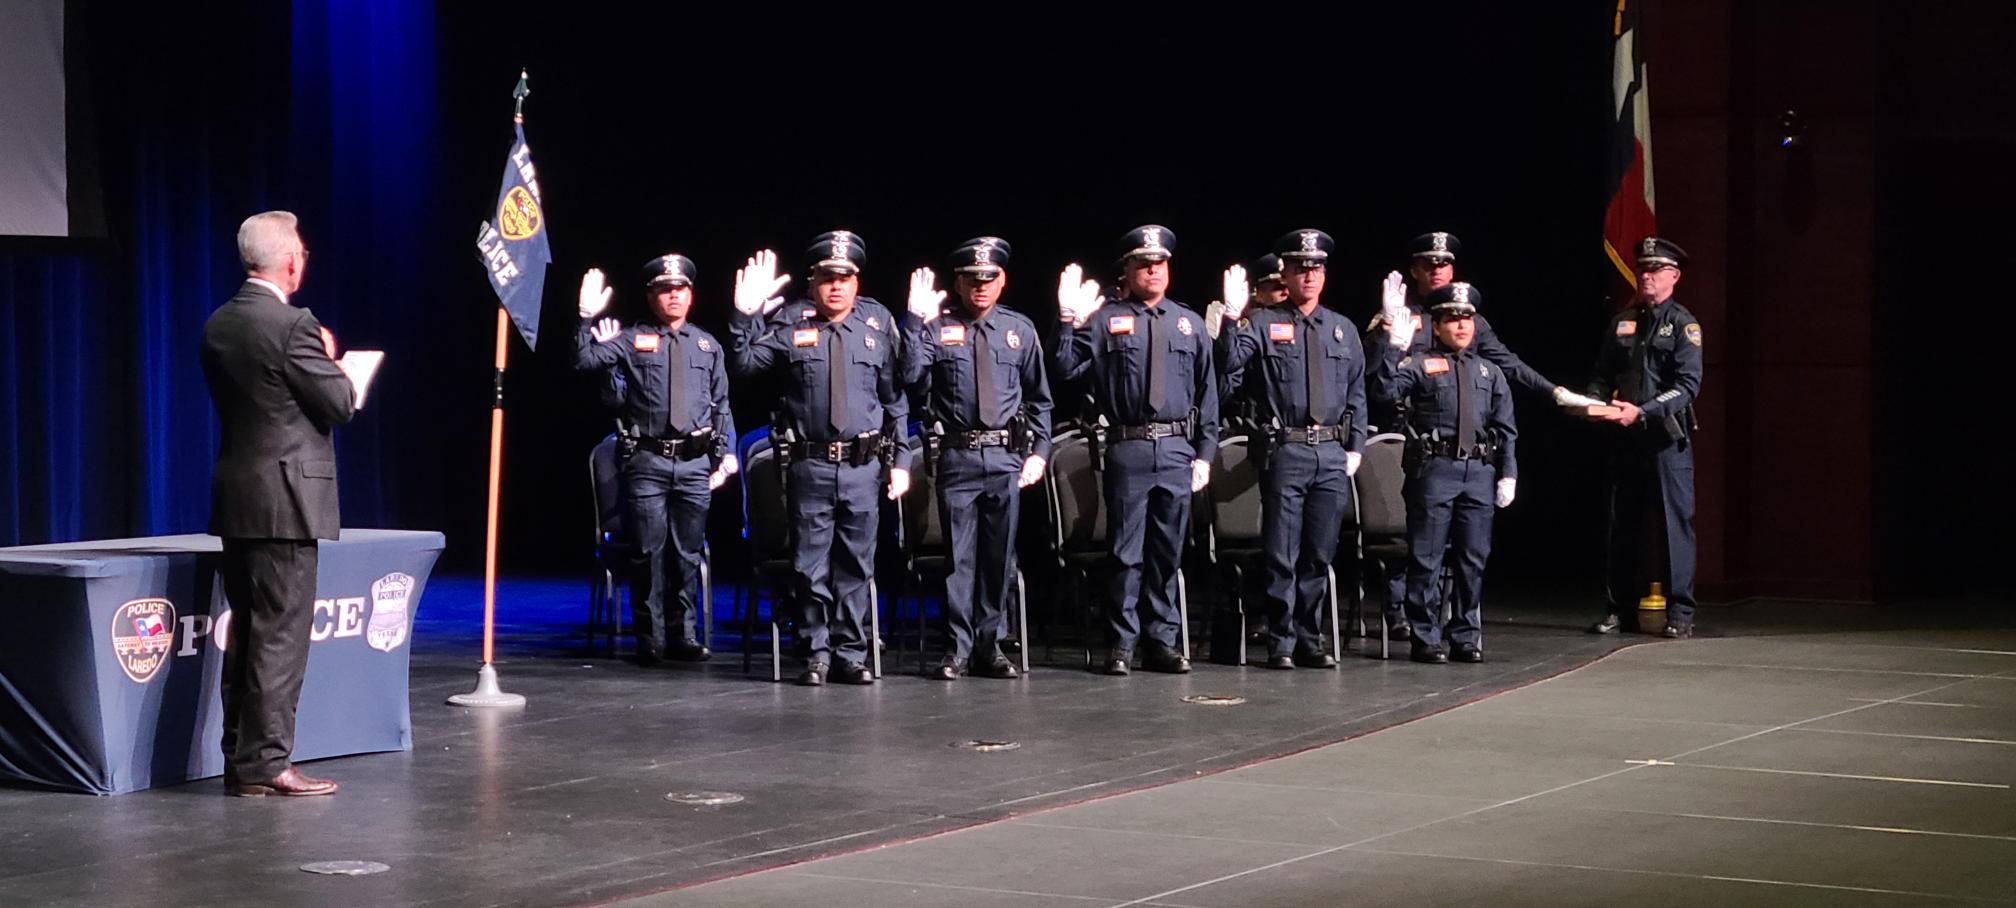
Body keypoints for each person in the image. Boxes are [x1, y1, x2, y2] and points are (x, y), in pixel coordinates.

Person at [200, 210, 365, 796]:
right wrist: (332, 358)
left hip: (239, 494)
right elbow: (340, 403)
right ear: (290, 261)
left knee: (245, 630)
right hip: (286, 498)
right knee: (280, 635)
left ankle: (240, 758)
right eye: (301, 250)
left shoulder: (220, 322)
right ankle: (268, 764)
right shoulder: (294, 325)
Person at [730, 234, 911, 685]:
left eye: (844, 278)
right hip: (809, 466)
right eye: (827, 278)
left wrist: (902, 461)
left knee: (855, 567)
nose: (836, 286)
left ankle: (851, 653)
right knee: (809, 567)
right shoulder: (792, 327)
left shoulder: (876, 330)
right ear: (813, 283)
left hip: (862, 467)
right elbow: (745, 363)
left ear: (856, 281)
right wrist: (745, 314)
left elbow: (895, 400)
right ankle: (815, 653)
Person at [1053, 225, 1218, 676]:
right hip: (1128, 447)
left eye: (1160, 263)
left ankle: (1161, 640)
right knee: (1126, 554)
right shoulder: (1107, 319)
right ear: (1126, 269)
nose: (1153, 270)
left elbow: (1208, 392)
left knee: (1168, 553)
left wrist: (1204, 452)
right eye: (1144, 264)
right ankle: (1122, 642)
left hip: (1176, 449)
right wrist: (1069, 321)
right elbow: (1066, 369)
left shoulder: (1188, 323)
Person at [900, 237, 1053, 680]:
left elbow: (1041, 399)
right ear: (959, 283)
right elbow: (909, 376)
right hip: (958, 458)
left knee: (998, 558)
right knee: (959, 559)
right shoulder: (937, 328)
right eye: (972, 280)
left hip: (1005, 457)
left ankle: (991, 646)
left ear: (1001, 280)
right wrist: (913, 321)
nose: (980, 287)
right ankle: (958, 648)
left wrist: (1039, 452)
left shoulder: (1019, 330)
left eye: (988, 279)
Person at [1212, 229, 1366, 669]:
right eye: (1300, 268)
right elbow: (1229, 364)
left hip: (1332, 454)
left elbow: (1356, 393)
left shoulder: (1342, 328)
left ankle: (1309, 638)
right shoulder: (1262, 323)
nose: (1309, 276)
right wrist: (1230, 317)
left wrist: (1354, 446)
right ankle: (1280, 640)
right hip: (1287, 451)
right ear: (1287, 272)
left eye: (1316, 268)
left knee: (1319, 553)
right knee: (1282, 552)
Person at [574, 254, 738, 664]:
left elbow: (722, 405)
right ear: (651, 297)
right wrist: (584, 320)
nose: (674, 296)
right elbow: (584, 361)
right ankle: (649, 636)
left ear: (691, 295)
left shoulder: (707, 345)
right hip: (647, 462)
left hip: (695, 464)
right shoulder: (633, 339)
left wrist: (728, 454)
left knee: (686, 552)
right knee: (648, 551)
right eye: (665, 290)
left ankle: (682, 634)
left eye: (680, 289)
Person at [1370, 282, 1517, 663]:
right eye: (1452, 318)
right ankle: (1425, 635)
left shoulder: (1489, 372)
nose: (1462, 325)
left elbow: (1506, 429)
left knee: (1472, 559)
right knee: (1427, 558)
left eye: (1467, 318)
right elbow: (1384, 393)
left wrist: (1508, 474)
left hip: (1478, 474)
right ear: (1435, 326)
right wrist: (1393, 346)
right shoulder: (1420, 366)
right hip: (1435, 471)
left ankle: (1465, 635)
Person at [1585, 237, 1704, 638]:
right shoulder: (1623, 321)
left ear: (1674, 276)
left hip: (1665, 439)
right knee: (1623, 525)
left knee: (1674, 526)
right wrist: (1595, 403)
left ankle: (1680, 612)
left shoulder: (1684, 325)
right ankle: (1620, 608)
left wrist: (1644, 411)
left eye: (1655, 270)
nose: (1646, 275)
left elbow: (1687, 386)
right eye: (1643, 269)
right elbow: (1602, 374)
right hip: (1626, 438)